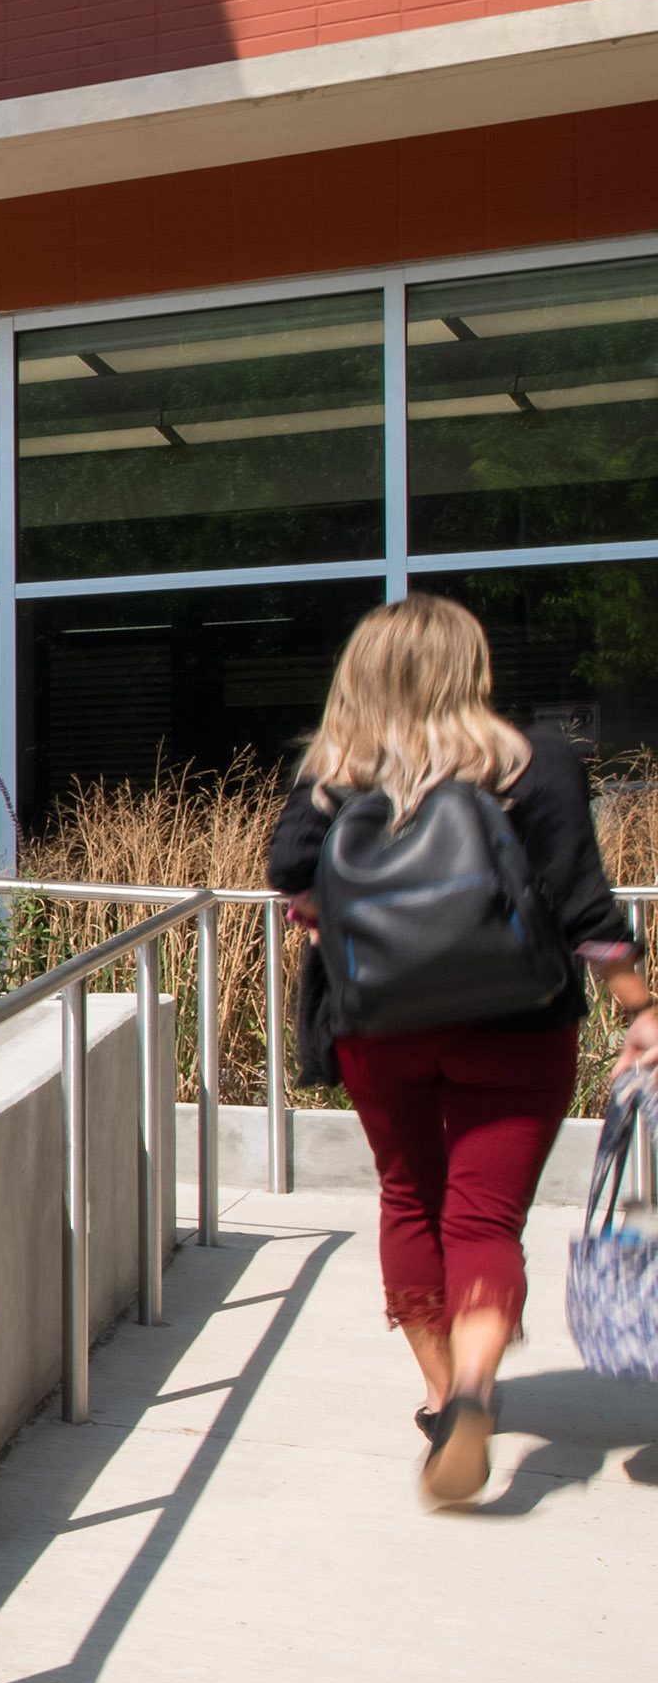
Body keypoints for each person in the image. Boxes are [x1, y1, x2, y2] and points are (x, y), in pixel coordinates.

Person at [268, 592, 644, 1506]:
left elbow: (291, 877)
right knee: (484, 1221)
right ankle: (479, 1383)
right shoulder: (534, 762)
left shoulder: (331, 772)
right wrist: (642, 1003)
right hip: (518, 1021)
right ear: (469, 667)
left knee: (409, 1197)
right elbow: (583, 905)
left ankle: (441, 1398)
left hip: (379, 1023)